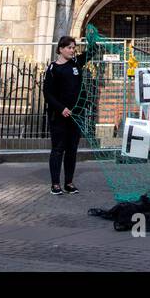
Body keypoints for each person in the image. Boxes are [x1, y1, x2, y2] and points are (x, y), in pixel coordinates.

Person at [43, 35, 95, 195]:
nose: (72, 50)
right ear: (60, 49)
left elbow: (90, 53)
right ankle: (55, 184)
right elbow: (48, 93)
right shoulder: (54, 68)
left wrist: (92, 39)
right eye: (69, 48)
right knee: (58, 149)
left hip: (76, 114)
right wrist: (61, 108)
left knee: (72, 150)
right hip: (59, 116)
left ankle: (69, 182)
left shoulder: (76, 64)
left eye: (74, 48)